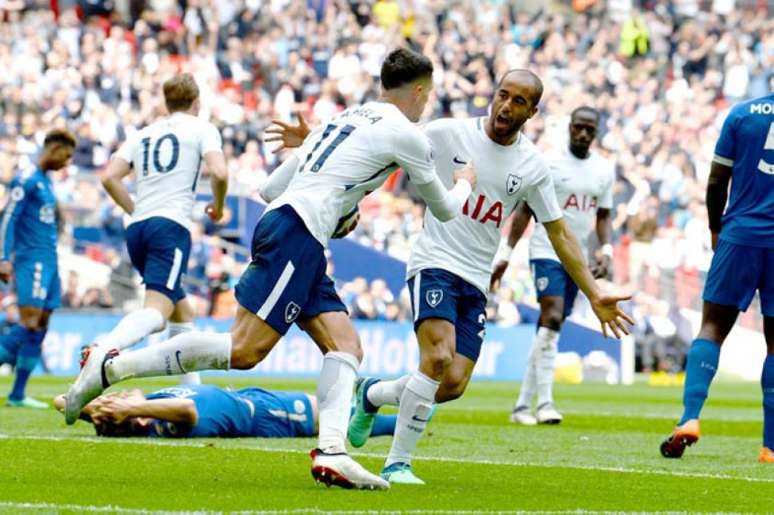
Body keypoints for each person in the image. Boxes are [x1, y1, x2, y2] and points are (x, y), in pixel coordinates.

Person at [64, 48, 476, 490]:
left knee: (346, 346)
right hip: (297, 231)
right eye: (428, 95)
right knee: (244, 349)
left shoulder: (340, 121)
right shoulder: (406, 134)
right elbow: (447, 210)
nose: (427, 103)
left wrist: (337, 198)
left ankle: (333, 452)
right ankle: (112, 367)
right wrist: (466, 181)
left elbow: (268, 188)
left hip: (296, 229)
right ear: (419, 90)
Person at [270, 70, 632, 484]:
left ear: (532, 111)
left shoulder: (532, 166)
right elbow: (384, 139)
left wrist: (594, 290)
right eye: (502, 95)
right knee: (437, 358)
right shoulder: (447, 133)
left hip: (475, 279)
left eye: (518, 102)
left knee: (452, 384)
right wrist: (315, 140)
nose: (505, 106)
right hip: (434, 261)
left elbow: (559, 233)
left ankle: (371, 393)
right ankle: (398, 462)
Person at [82, 73, 228, 387]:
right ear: (196, 102)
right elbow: (219, 171)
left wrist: (134, 209)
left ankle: (192, 393)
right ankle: (104, 350)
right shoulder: (203, 129)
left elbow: (109, 178)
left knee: (181, 312)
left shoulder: (143, 133)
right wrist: (218, 205)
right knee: (157, 312)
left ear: (167, 101)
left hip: (137, 229)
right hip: (170, 227)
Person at [660, 93, 774, 464]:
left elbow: (716, 179)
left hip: (739, 234)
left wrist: (714, 227)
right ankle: (769, 446)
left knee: (711, 328)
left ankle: (690, 417)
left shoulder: (742, 115)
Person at [490, 106, 615, 426]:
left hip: (578, 258)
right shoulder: (549, 162)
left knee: (550, 328)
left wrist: (607, 250)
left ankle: (521, 406)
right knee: (553, 316)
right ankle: (545, 403)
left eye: (590, 129)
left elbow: (602, 216)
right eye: (579, 127)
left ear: (596, 132)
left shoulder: (603, 170)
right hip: (546, 250)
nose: (583, 134)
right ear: (570, 127)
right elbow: (524, 209)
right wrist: (505, 253)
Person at [0, 129, 77, 408]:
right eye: (66, 156)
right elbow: (8, 217)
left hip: (50, 261)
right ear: (54, 148)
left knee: (41, 325)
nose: (67, 163)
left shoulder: (45, 181)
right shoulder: (27, 178)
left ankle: (17, 394)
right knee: (28, 322)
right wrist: (3, 257)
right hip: (30, 260)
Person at [54, 385, 397, 440]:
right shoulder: (162, 422)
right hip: (266, 416)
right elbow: (188, 410)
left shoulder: (148, 404)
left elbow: (60, 401)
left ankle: (382, 399)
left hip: (246, 397)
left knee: (339, 409)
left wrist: (89, 408)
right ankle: (400, 419)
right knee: (338, 420)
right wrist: (131, 405)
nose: (122, 394)